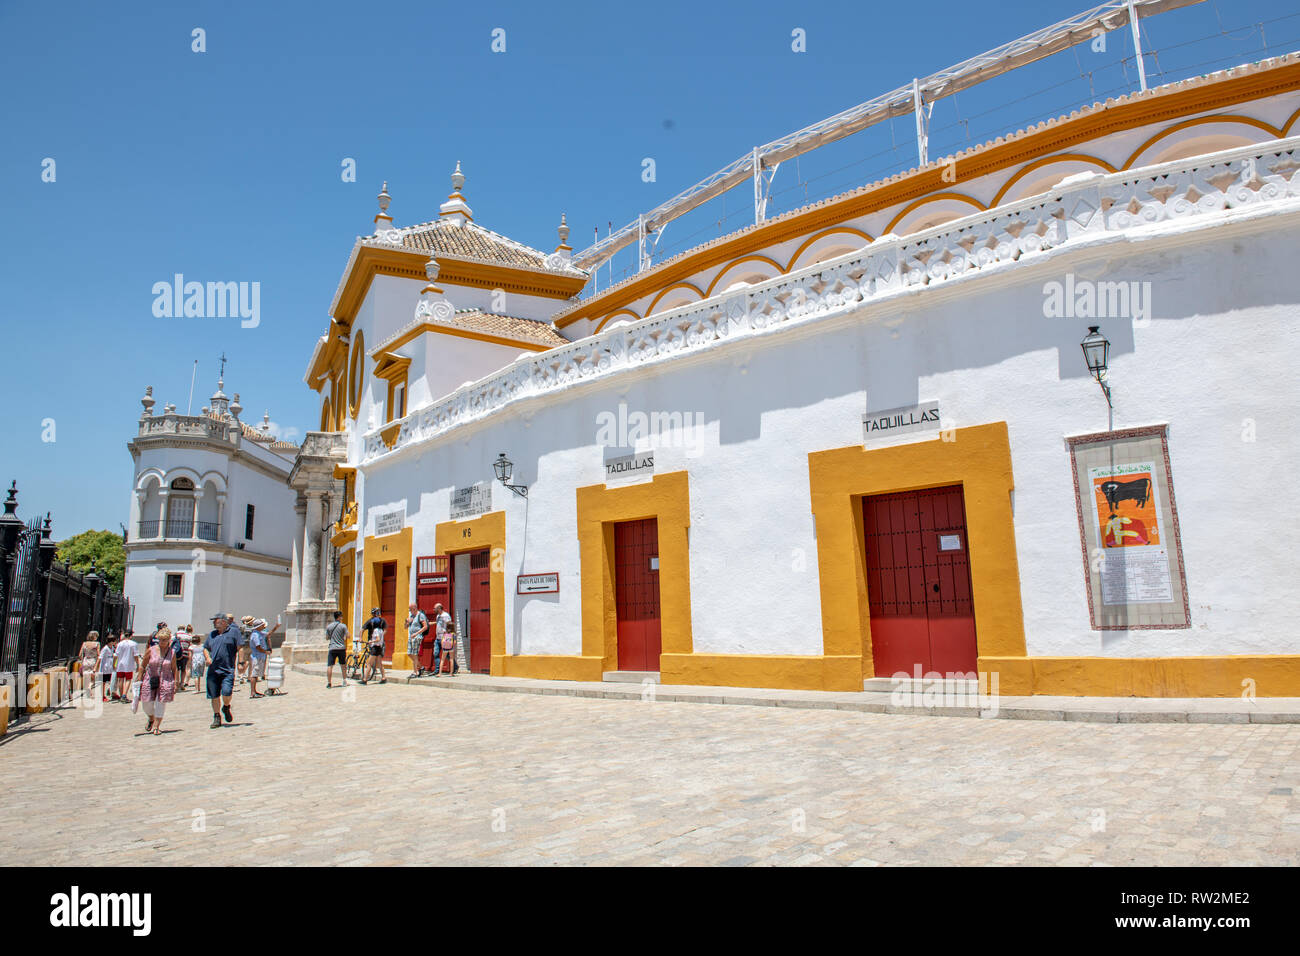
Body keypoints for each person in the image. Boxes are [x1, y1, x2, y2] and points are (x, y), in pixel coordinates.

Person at [137, 626, 177, 735]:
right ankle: (151, 717)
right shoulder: (151, 650)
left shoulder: (172, 652)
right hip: (150, 678)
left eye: (165, 640)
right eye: (160, 639)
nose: (162, 642)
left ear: (169, 640)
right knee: (146, 703)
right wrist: (139, 678)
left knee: (161, 703)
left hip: (166, 679)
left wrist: (176, 682)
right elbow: (143, 665)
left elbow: (174, 668)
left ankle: (156, 726)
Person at [203, 613, 239, 729]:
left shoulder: (234, 632)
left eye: (215, 620)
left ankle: (226, 706)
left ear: (223, 622)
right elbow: (205, 648)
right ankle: (217, 716)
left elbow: (240, 647)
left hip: (228, 669)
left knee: (227, 692)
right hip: (213, 671)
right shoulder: (212, 634)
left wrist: (242, 662)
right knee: (214, 695)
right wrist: (208, 658)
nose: (213, 623)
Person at [247, 618, 276, 698]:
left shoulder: (260, 633)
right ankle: (253, 692)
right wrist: (265, 652)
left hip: (260, 656)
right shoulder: (255, 635)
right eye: (262, 625)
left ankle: (255, 691)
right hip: (257, 656)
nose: (264, 626)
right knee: (254, 674)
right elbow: (258, 647)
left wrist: (276, 626)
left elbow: (269, 634)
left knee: (256, 674)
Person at [360, 608, 387, 684]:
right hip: (379, 647)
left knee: (369, 663)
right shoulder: (381, 631)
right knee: (379, 663)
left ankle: (365, 679)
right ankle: (384, 677)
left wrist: (371, 641)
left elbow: (377, 639)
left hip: (374, 647)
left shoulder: (375, 631)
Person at [325, 611, 349, 689]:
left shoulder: (329, 626)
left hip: (332, 648)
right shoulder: (343, 626)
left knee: (330, 666)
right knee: (343, 665)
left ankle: (329, 683)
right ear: (339, 617)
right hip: (341, 648)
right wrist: (344, 636)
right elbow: (348, 635)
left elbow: (327, 638)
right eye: (341, 616)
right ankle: (344, 681)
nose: (342, 617)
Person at [405, 603, 429, 678]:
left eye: (410, 609)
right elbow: (405, 627)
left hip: (417, 637)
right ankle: (421, 667)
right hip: (411, 637)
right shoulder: (411, 616)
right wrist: (407, 622)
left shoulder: (420, 615)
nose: (409, 611)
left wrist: (416, 633)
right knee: (409, 653)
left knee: (414, 654)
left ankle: (415, 672)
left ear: (414, 608)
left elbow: (425, 627)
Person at [431, 604, 456, 676]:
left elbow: (449, 625)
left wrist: (448, 634)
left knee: (447, 655)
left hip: (444, 638)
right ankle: (437, 670)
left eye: (435, 608)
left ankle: (454, 668)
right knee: (436, 653)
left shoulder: (446, 616)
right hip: (438, 637)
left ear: (439, 608)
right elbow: (438, 623)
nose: (433, 610)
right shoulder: (438, 616)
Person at [114, 631, 138, 702]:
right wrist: (138, 664)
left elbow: (116, 655)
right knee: (128, 679)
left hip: (120, 664)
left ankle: (121, 695)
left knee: (120, 679)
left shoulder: (120, 644)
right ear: (131, 636)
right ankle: (124, 695)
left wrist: (114, 664)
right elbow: (136, 655)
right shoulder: (133, 644)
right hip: (129, 664)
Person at [78, 630, 101, 696]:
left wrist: (82, 660)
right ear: (95, 637)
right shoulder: (97, 644)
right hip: (93, 661)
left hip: (85, 660)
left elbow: (80, 654)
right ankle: (89, 687)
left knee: (86, 677)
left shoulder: (84, 643)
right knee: (93, 678)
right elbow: (99, 654)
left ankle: (87, 689)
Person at [98, 634, 117, 701]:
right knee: (103, 682)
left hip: (110, 668)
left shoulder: (112, 648)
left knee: (111, 681)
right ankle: (102, 696)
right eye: (115, 641)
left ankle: (111, 691)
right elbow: (100, 658)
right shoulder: (105, 648)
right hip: (104, 668)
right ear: (111, 641)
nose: (115, 643)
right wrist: (96, 668)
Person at [236, 616, 254, 685]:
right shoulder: (253, 628)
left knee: (245, 661)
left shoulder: (242, 627)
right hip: (250, 646)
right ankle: (246, 675)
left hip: (243, 645)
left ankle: (242, 675)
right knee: (249, 661)